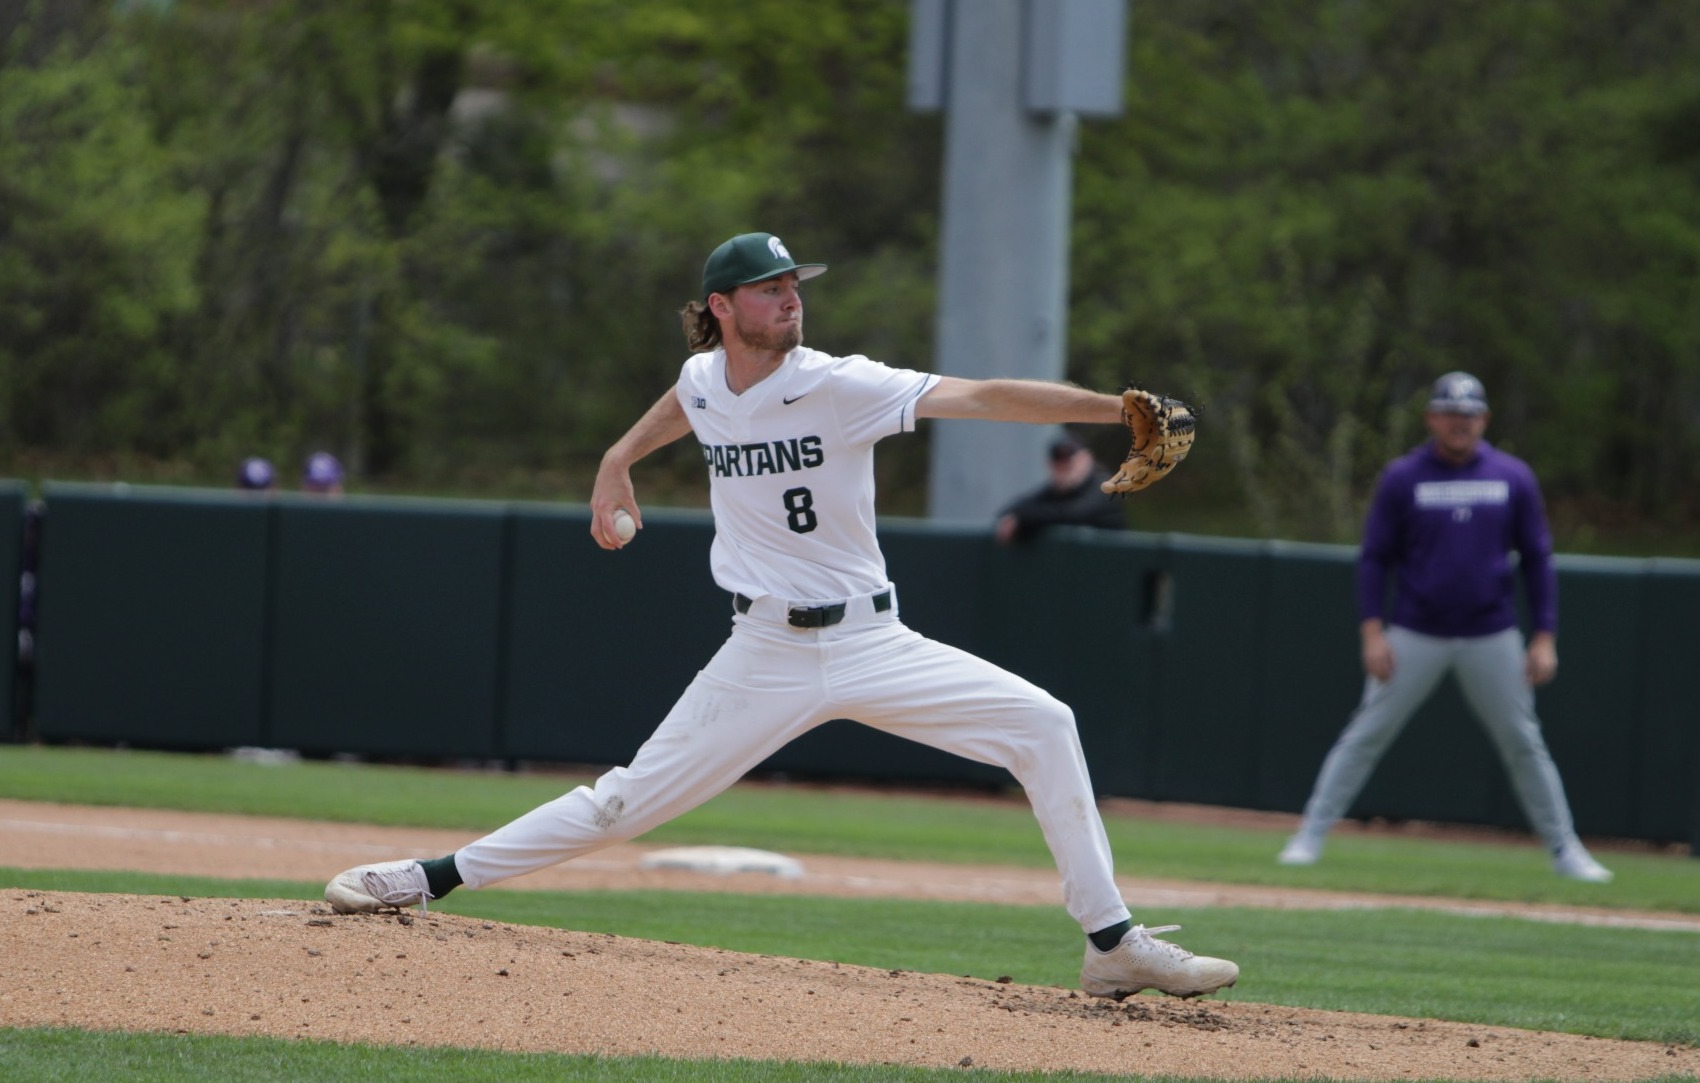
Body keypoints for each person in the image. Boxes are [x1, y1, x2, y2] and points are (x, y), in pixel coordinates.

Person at [324, 231, 1238, 1001]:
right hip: (761, 648)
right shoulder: (703, 380)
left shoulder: (841, 383)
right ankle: (426, 877)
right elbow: (685, 401)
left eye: (793, 284)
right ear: (722, 306)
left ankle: (1110, 941)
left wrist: (1111, 409)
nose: (789, 297)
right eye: (769, 288)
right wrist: (616, 458)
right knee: (625, 802)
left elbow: (983, 393)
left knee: (1044, 723)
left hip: (873, 639)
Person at [1277, 371, 1613, 883]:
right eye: (1451, 414)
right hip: (1415, 631)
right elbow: (1375, 560)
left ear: (1485, 420)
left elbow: (1538, 559)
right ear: (1433, 418)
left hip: (1492, 632)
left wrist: (1545, 635)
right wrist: (1372, 632)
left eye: (1471, 415)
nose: (1461, 424)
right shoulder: (1403, 476)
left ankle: (1566, 850)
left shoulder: (1512, 476)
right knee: (1366, 733)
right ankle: (1310, 835)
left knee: (1523, 741)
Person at [994, 427, 1128, 543]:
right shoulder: (1055, 490)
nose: (1063, 466)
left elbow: (1075, 514)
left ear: (1085, 458)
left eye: (1069, 461)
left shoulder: (1105, 487)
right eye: (1058, 461)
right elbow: (1009, 511)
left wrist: (1024, 519)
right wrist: (1019, 521)